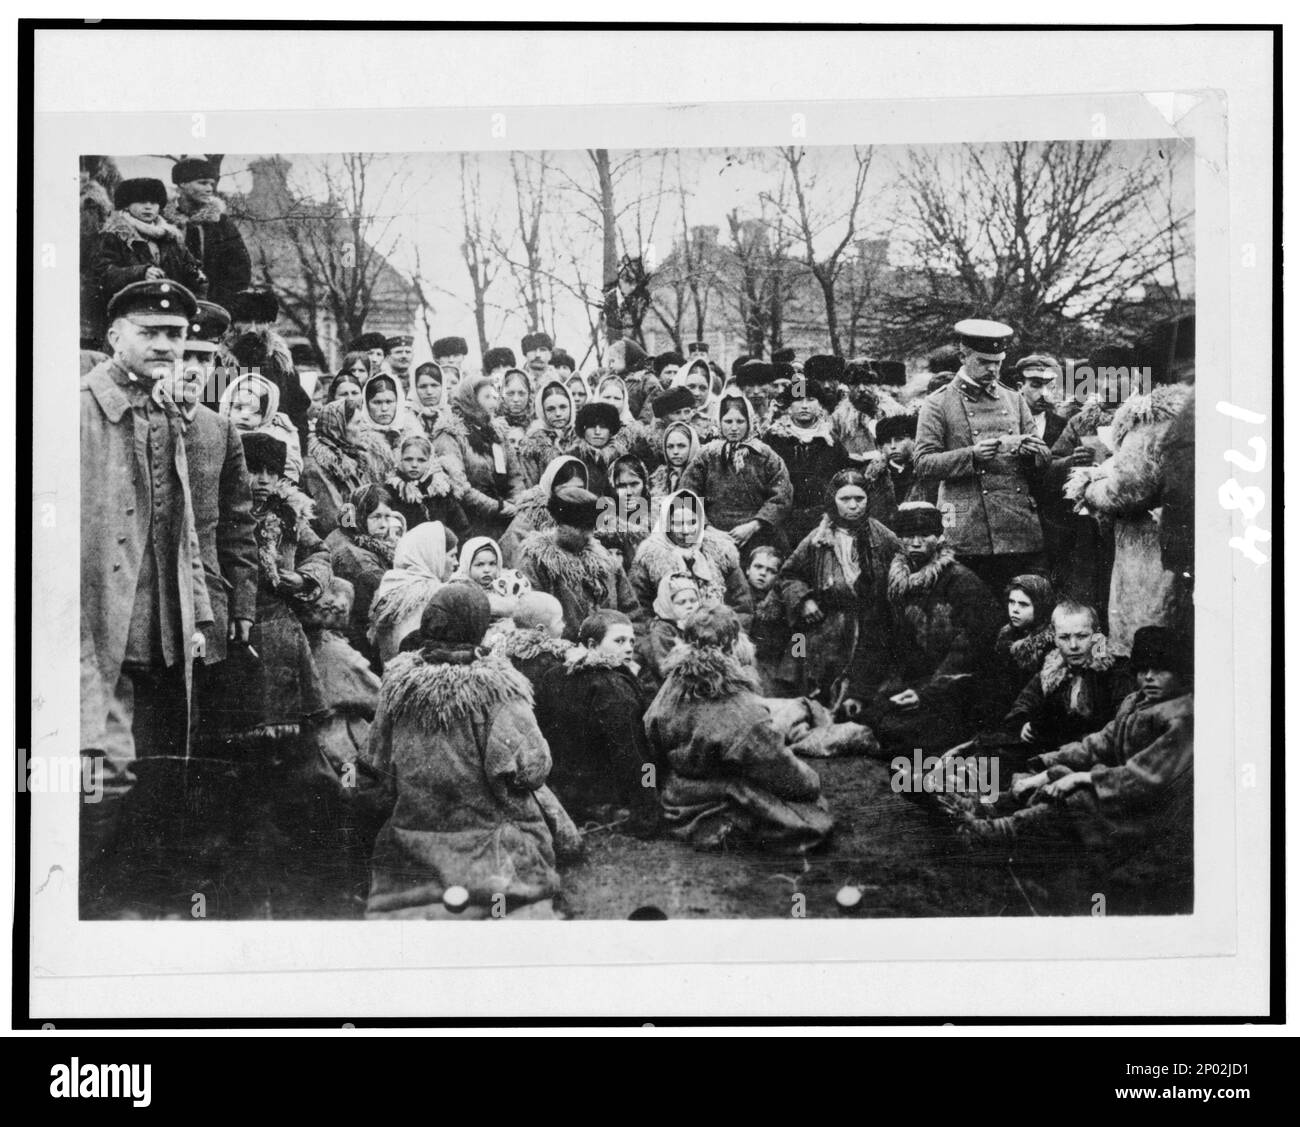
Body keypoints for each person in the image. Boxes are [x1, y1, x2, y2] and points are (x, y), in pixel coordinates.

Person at [79, 280, 214, 915]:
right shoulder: (77, 411)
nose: (165, 345)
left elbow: (182, 527)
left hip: (166, 630)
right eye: (149, 332)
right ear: (113, 337)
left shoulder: (167, 413)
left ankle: (145, 910)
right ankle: (86, 919)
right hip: (100, 631)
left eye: (176, 336)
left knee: (163, 775)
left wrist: (198, 612)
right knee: (103, 775)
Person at [363, 584, 577, 920]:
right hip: (491, 835)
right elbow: (533, 768)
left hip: (414, 830)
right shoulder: (499, 688)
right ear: (478, 628)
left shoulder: (397, 684)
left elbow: (375, 758)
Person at [953, 626, 1192, 911]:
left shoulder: (1181, 718)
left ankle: (993, 833)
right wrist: (1048, 764)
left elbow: (1144, 777)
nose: (1150, 677)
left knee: (1075, 795)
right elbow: (1098, 744)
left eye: (1161, 670)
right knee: (1052, 778)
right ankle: (984, 807)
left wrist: (1083, 777)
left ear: (1181, 673)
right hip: (1122, 793)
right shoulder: (1136, 702)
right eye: (1144, 669)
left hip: (1147, 813)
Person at [644, 604, 835, 854]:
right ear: (733, 644)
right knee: (816, 820)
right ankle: (727, 829)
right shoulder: (742, 708)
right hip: (724, 800)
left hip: (676, 796)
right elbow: (787, 775)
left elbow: (651, 735)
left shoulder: (671, 684)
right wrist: (811, 782)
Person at [913, 319, 1052, 594]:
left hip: (1018, 527)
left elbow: (1043, 457)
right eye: (984, 361)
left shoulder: (1014, 400)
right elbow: (923, 463)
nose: (993, 369)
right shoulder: (938, 403)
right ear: (963, 356)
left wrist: (1033, 454)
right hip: (969, 528)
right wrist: (972, 456)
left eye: (998, 362)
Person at [1066, 375, 1194, 657]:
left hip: (1149, 544)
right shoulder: (1192, 409)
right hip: (1189, 537)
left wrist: (1089, 486)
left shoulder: (1148, 418)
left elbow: (1126, 489)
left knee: (1147, 633)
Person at [869, 501, 1002, 757]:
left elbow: (970, 648)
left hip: (954, 686)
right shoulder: (894, 581)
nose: (916, 543)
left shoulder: (961, 580)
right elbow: (877, 636)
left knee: (906, 737)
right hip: (915, 680)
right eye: (908, 536)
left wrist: (928, 693)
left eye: (924, 535)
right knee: (873, 715)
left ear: (939, 537)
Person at [777, 469, 902, 710]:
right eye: (845, 499)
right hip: (827, 623)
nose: (853, 506)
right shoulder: (819, 537)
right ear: (833, 500)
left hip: (871, 625)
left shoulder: (882, 535)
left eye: (859, 498)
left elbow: (905, 562)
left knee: (865, 688)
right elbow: (789, 574)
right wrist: (803, 600)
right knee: (811, 680)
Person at [536, 609, 658, 830]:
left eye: (631, 641)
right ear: (592, 645)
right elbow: (634, 752)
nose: (629, 647)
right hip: (603, 793)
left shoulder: (554, 674)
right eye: (619, 641)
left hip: (560, 788)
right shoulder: (614, 688)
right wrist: (649, 802)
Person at [1003, 600, 1130, 758]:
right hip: (1056, 752)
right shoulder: (1053, 667)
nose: (1073, 645)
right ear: (1055, 638)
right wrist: (1023, 724)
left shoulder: (1113, 668)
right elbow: (1024, 703)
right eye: (1064, 637)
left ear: (1097, 636)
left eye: (1082, 636)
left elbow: (1123, 721)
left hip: (1098, 753)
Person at [517, 485, 642, 641]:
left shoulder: (607, 562)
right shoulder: (535, 563)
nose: (589, 535)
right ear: (559, 525)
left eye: (591, 528)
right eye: (581, 528)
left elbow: (633, 614)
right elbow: (531, 624)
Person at [680, 391, 793, 558]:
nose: (734, 428)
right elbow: (686, 495)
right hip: (713, 534)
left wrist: (754, 525)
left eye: (740, 421)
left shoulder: (764, 454)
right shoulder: (707, 455)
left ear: (749, 422)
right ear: (719, 422)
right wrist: (708, 529)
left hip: (758, 533)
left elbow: (782, 495)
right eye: (728, 421)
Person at [629, 489, 752, 619]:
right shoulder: (650, 555)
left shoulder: (721, 551)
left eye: (692, 522)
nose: (686, 531)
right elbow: (639, 609)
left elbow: (742, 605)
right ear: (666, 525)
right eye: (678, 524)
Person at [432, 374, 525, 540]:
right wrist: (499, 507)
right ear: (471, 399)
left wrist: (516, 502)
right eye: (486, 397)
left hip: (505, 519)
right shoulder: (450, 434)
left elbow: (515, 475)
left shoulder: (496, 432)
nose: (493, 403)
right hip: (470, 522)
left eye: (494, 397)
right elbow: (459, 485)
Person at [222, 288, 312, 456]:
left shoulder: (281, 362)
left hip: (278, 451)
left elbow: (298, 412)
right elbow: (213, 411)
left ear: (268, 324)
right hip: (233, 450)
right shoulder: (224, 363)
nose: (253, 328)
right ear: (233, 324)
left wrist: (300, 455)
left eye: (260, 321)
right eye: (246, 320)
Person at [763, 377, 850, 548]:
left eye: (810, 400)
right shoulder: (773, 439)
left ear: (820, 406)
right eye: (798, 400)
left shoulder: (831, 442)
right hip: (782, 519)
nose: (804, 406)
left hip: (822, 520)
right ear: (789, 406)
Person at [163, 157, 251, 313]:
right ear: (182, 184)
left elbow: (239, 269)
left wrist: (220, 304)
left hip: (212, 307)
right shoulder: (162, 221)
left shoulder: (221, 224)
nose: (210, 189)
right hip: (168, 305)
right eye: (203, 183)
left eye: (212, 183)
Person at [324, 483, 402, 657]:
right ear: (358, 515)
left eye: (387, 517)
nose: (384, 525)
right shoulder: (354, 557)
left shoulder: (351, 534)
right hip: (357, 638)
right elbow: (386, 593)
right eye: (376, 517)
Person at [301, 398, 396, 537]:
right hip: (346, 539)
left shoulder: (356, 457)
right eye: (357, 423)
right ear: (338, 428)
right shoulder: (315, 468)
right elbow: (334, 518)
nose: (363, 427)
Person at [367, 520, 455, 665]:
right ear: (434, 556)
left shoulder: (393, 583)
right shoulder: (429, 594)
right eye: (452, 556)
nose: (456, 563)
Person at [986, 573, 1059, 719]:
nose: (1014, 609)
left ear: (1040, 607)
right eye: (1011, 602)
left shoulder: (1052, 643)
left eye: (1023, 604)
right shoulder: (1006, 636)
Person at [500, 454, 589, 566]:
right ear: (551, 489)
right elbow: (512, 559)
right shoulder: (529, 518)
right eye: (565, 489)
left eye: (579, 489)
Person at [218, 371, 304, 483]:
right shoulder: (218, 432)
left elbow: (289, 473)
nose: (245, 416)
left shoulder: (277, 435)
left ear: (266, 414)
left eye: (255, 411)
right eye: (238, 408)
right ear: (228, 408)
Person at [383, 433, 466, 538]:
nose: (414, 465)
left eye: (421, 460)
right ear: (400, 460)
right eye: (408, 459)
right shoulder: (392, 489)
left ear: (430, 461)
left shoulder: (440, 490)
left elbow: (462, 529)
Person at [489, 590, 573, 692]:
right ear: (540, 629)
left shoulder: (505, 648)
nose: (563, 625)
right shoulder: (552, 661)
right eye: (559, 621)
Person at [637, 573, 702, 693]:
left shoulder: (697, 625)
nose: (689, 606)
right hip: (667, 689)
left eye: (693, 600)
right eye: (681, 602)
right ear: (668, 604)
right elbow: (666, 669)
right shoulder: (662, 631)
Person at [831, 360, 906, 463]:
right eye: (855, 383)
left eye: (867, 382)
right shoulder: (839, 419)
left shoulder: (897, 412)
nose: (861, 389)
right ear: (848, 386)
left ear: (877, 384)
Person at [563, 400, 638, 498]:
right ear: (583, 430)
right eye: (591, 426)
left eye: (603, 427)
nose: (597, 432)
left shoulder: (622, 458)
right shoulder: (571, 458)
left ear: (611, 430)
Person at [516, 378, 575, 489]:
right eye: (550, 409)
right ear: (542, 411)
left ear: (571, 407)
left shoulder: (580, 439)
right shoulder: (532, 443)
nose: (558, 414)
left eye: (563, 407)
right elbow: (530, 485)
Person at [599, 453, 654, 571]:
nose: (629, 492)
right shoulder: (603, 524)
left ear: (644, 484)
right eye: (621, 485)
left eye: (634, 484)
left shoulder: (658, 518)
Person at [647, 414, 700, 504]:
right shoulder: (658, 477)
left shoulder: (701, 476)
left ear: (692, 447)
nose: (675, 452)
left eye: (681, 446)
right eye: (670, 446)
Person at [671, 357, 720, 441]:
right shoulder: (667, 413)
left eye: (703, 388)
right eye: (691, 386)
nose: (697, 393)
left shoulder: (716, 414)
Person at [637, 350, 685, 423]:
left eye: (676, 373)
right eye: (668, 372)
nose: (672, 377)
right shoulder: (655, 393)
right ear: (658, 376)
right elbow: (646, 420)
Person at [407, 362, 444, 435]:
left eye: (434, 385)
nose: (429, 392)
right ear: (414, 388)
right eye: (423, 386)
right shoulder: (405, 418)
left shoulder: (453, 417)